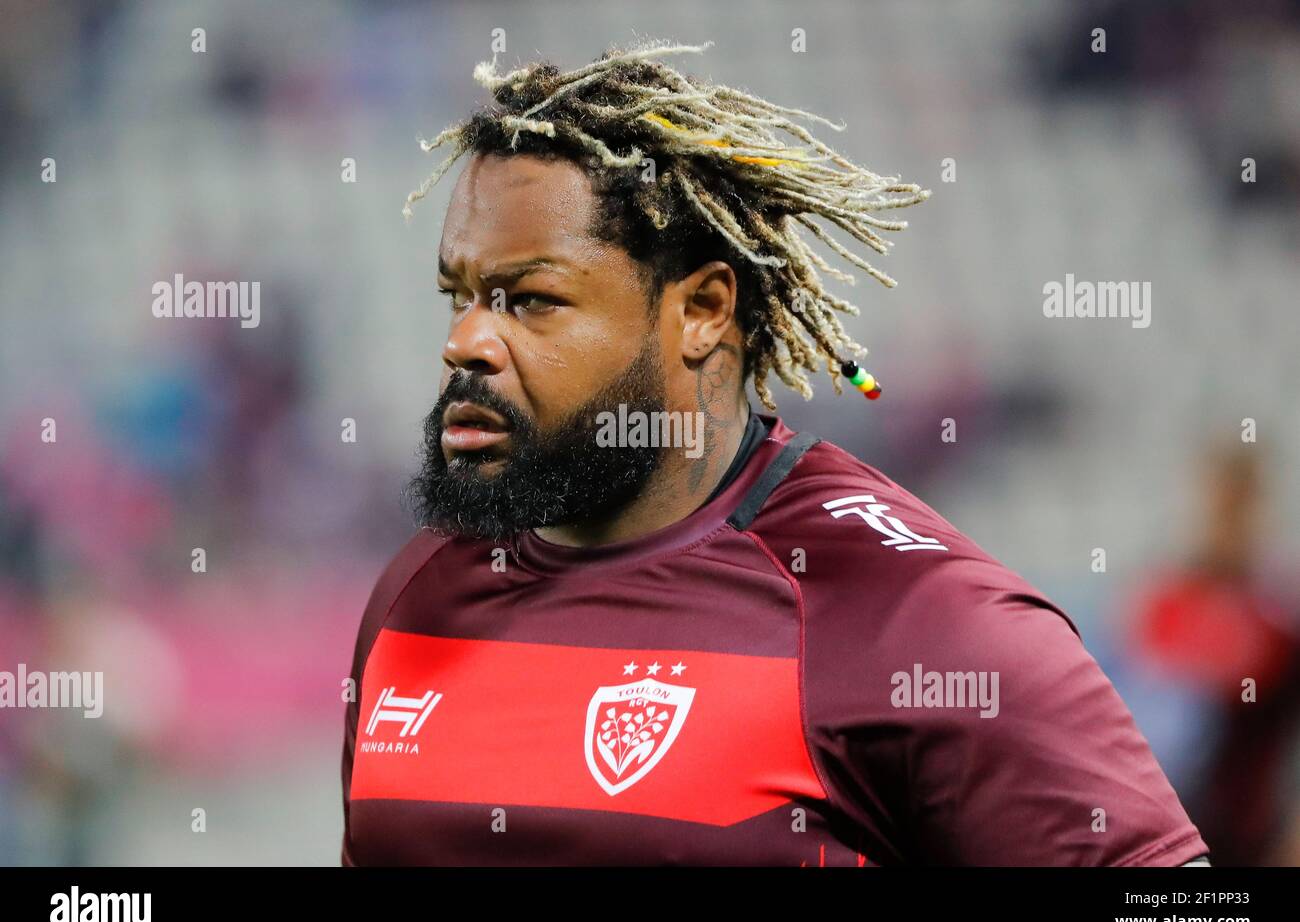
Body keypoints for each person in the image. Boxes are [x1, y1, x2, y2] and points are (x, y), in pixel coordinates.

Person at [341, 40, 1208, 866]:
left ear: (705, 309)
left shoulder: (918, 621)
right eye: (459, 295)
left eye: (528, 300)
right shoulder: (416, 595)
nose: (465, 342)